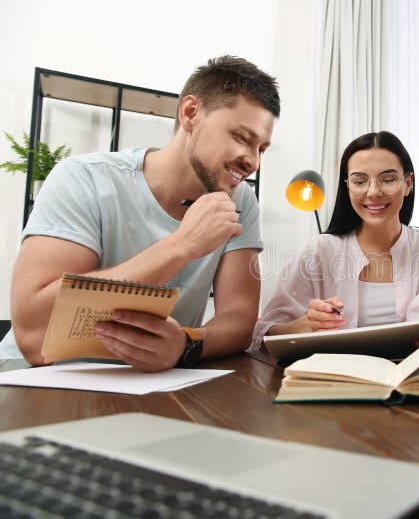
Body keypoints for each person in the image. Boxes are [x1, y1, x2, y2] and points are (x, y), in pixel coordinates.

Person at [7, 56, 280, 371]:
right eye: (242, 138)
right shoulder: (83, 178)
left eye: (262, 148)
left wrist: (185, 344)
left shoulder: (240, 201)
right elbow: (33, 340)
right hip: (40, 378)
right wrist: (181, 245)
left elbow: (240, 320)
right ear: (191, 113)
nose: (253, 161)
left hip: (153, 382)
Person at [250, 131, 419, 349]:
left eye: (388, 180)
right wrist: (306, 325)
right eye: (359, 181)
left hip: (409, 377)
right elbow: (263, 334)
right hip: (332, 380)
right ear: (347, 186)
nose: (373, 192)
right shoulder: (319, 250)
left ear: (408, 183)